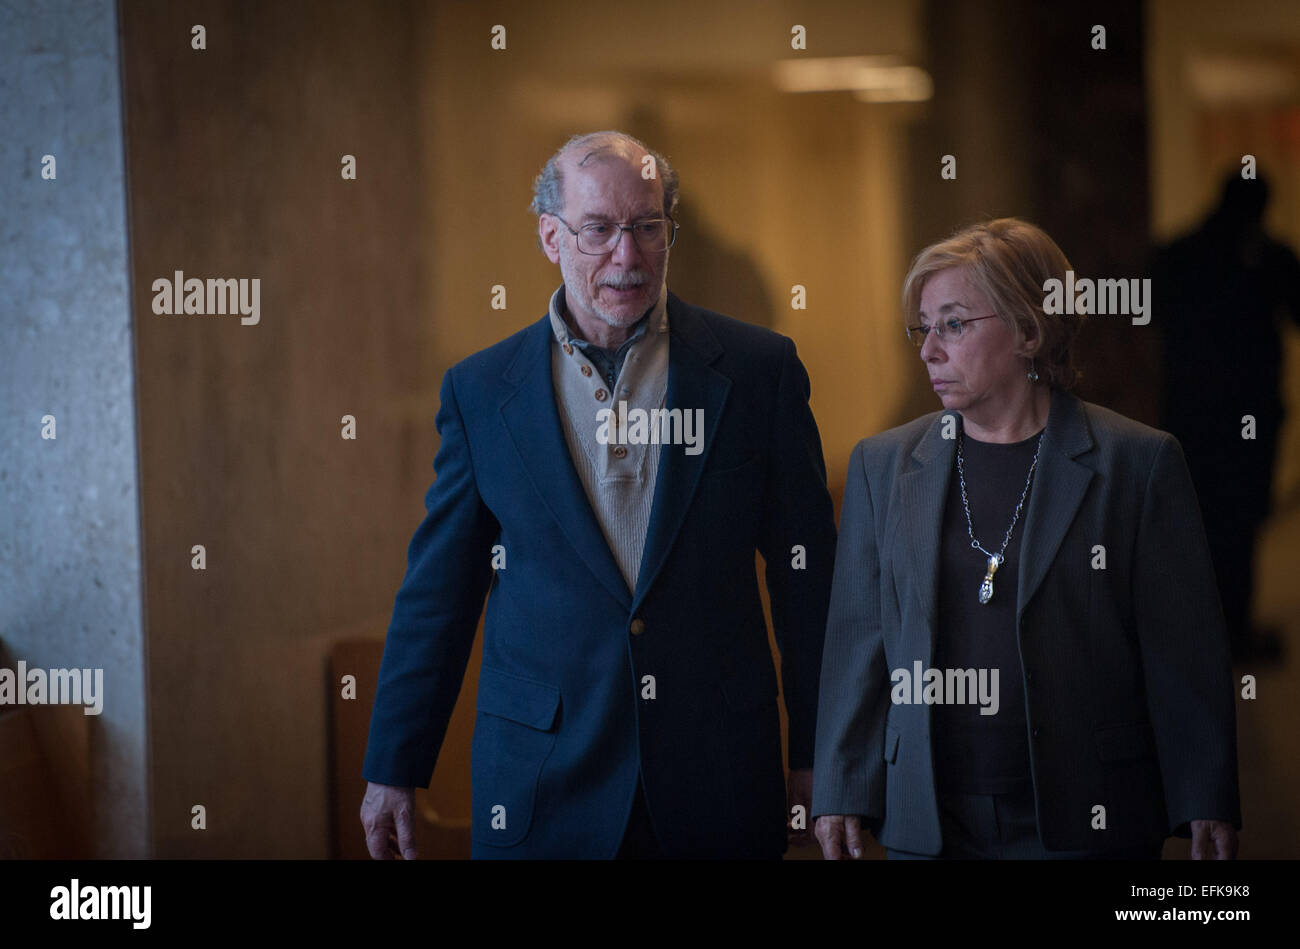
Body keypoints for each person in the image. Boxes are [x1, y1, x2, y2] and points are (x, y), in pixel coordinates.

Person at [360, 131, 836, 859]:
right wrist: (394, 764)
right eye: (599, 230)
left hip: (718, 780)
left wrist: (821, 753)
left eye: (648, 227)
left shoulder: (757, 371)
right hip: (543, 781)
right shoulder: (483, 392)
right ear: (550, 236)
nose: (628, 255)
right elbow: (440, 592)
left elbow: (810, 586)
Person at [812, 218, 1241, 860]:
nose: (928, 349)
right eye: (922, 327)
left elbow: (1181, 648)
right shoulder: (884, 465)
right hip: (926, 815)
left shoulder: (1137, 463)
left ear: (1030, 330)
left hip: (1087, 812)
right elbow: (858, 639)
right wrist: (842, 784)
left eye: (952, 324)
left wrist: (1205, 791)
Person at [1154, 170, 1300, 662]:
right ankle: (1228, 630)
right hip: (1244, 417)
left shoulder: (1180, 256)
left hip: (1194, 415)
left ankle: (1205, 631)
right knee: (1236, 525)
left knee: (1201, 521)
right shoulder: (1264, 258)